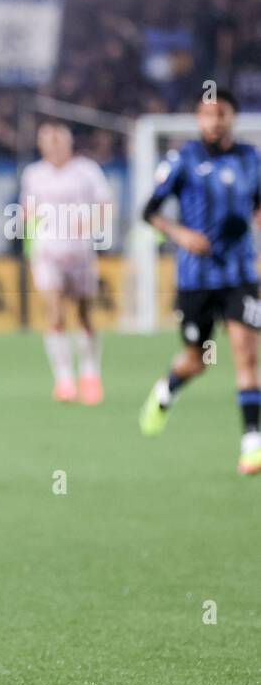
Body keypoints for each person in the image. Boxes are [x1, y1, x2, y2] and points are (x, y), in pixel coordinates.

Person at [138, 90, 261, 475]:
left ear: (232, 117)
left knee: (246, 353)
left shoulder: (251, 159)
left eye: (221, 113)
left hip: (239, 274)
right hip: (195, 279)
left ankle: (251, 444)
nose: (214, 120)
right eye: (207, 114)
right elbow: (149, 212)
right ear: (197, 118)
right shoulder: (182, 160)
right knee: (199, 358)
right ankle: (167, 389)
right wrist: (182, 235)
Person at [20, 120, 114, 403]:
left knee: (84, 315)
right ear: (41, 145)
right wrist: (29, 241)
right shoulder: (34, 174)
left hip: (81, 252)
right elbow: (28, 210)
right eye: (47, 140)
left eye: (58, 140)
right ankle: (63, 380)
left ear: (69, 143)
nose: (53, 146)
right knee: (54, 314)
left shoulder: (87, 171)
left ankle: (89, 373)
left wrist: (91, 229)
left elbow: (104, 204)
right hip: (47, 253)